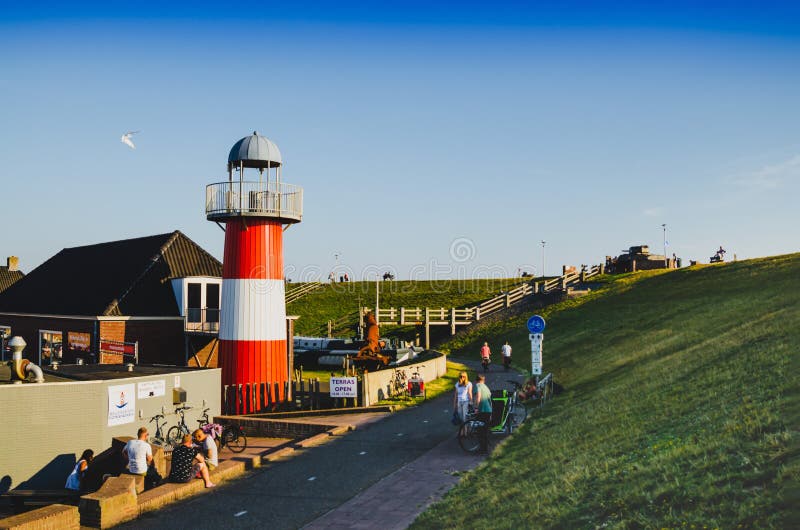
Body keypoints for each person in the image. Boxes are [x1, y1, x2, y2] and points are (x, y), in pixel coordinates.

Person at [473, 374, 492, 454]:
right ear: (483, 380)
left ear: (476, 380)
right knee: (485, 430)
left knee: (480, 430)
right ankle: (485, 449)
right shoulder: (486, 387)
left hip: (482, 410)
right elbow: (489, 400)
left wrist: (476, 408)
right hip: (488, 411)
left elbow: (478, 397)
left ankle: (482, 449)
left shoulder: (478, 386)